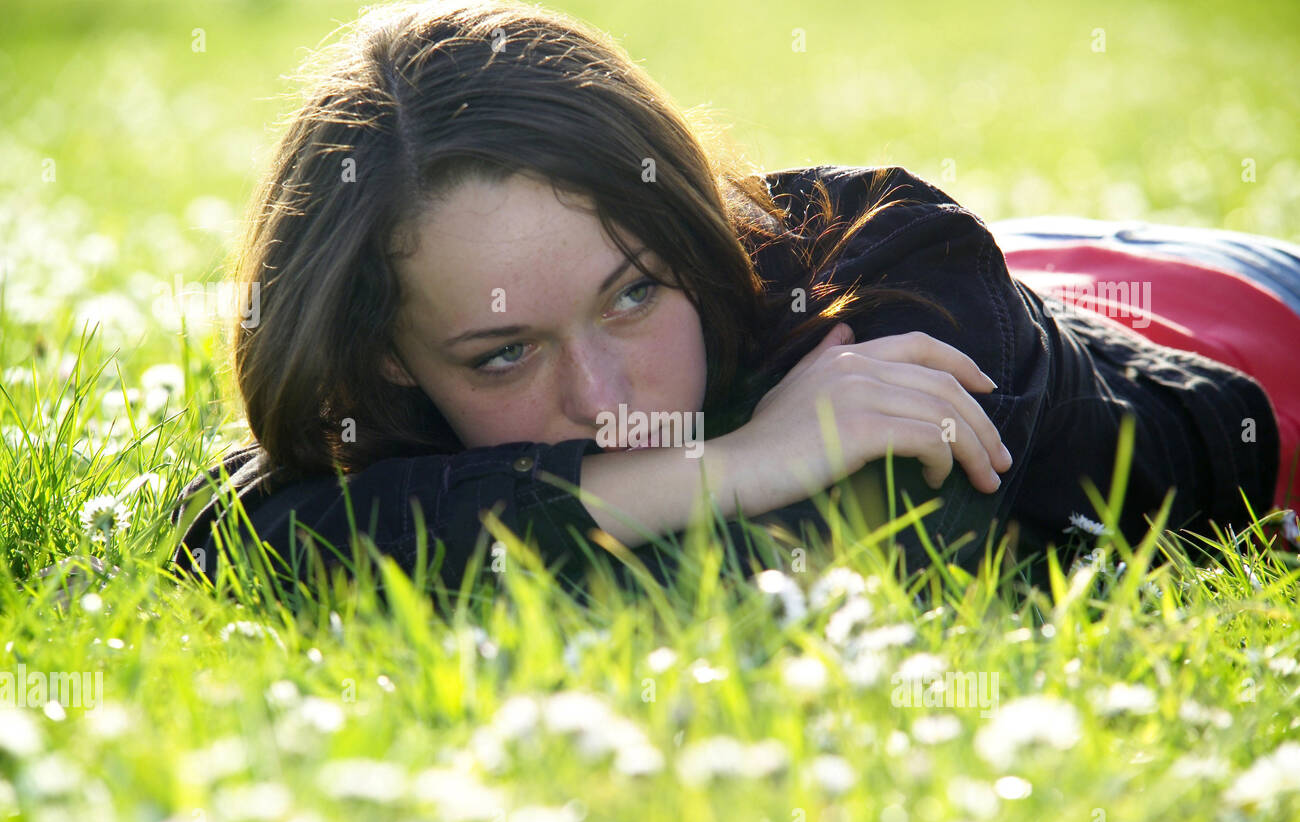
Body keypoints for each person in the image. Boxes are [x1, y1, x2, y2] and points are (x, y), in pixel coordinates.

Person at [171, 0, 1289, 595]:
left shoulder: (908, 277)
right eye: (502, 355)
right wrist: (732, 463)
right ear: (393, 362)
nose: (606, 401)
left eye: (632, 297)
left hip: (1231, 311)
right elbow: (240, 534)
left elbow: (848, 558)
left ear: (691, 232)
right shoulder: (389, 385)